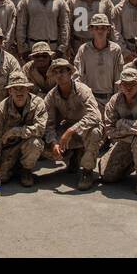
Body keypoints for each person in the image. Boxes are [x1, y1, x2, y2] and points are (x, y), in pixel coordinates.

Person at [42, 60, 103, 190]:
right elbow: (49, 123)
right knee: (44, 145)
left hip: (87, 127)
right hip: (68, 128)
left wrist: (70, 131)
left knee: (95, 133)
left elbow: (95, 116)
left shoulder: (83, 90)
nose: (60, 75)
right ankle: (74, 155)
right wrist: (54, 144)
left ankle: (87, 171)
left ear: (70, 73)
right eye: (56, 72)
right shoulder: (51, 96)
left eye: (63, 71)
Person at [0, 72, 47, 188]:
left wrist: (15, 131)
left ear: (28, 89)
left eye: (22, 88)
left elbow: (40, 129)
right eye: (15, 89)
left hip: (29, 144)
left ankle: (26, 170)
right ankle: (14, 166)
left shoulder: (38, 103)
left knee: (35, 143)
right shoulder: (1, 110)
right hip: (9, 148)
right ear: (9, 91)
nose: (19, 92)